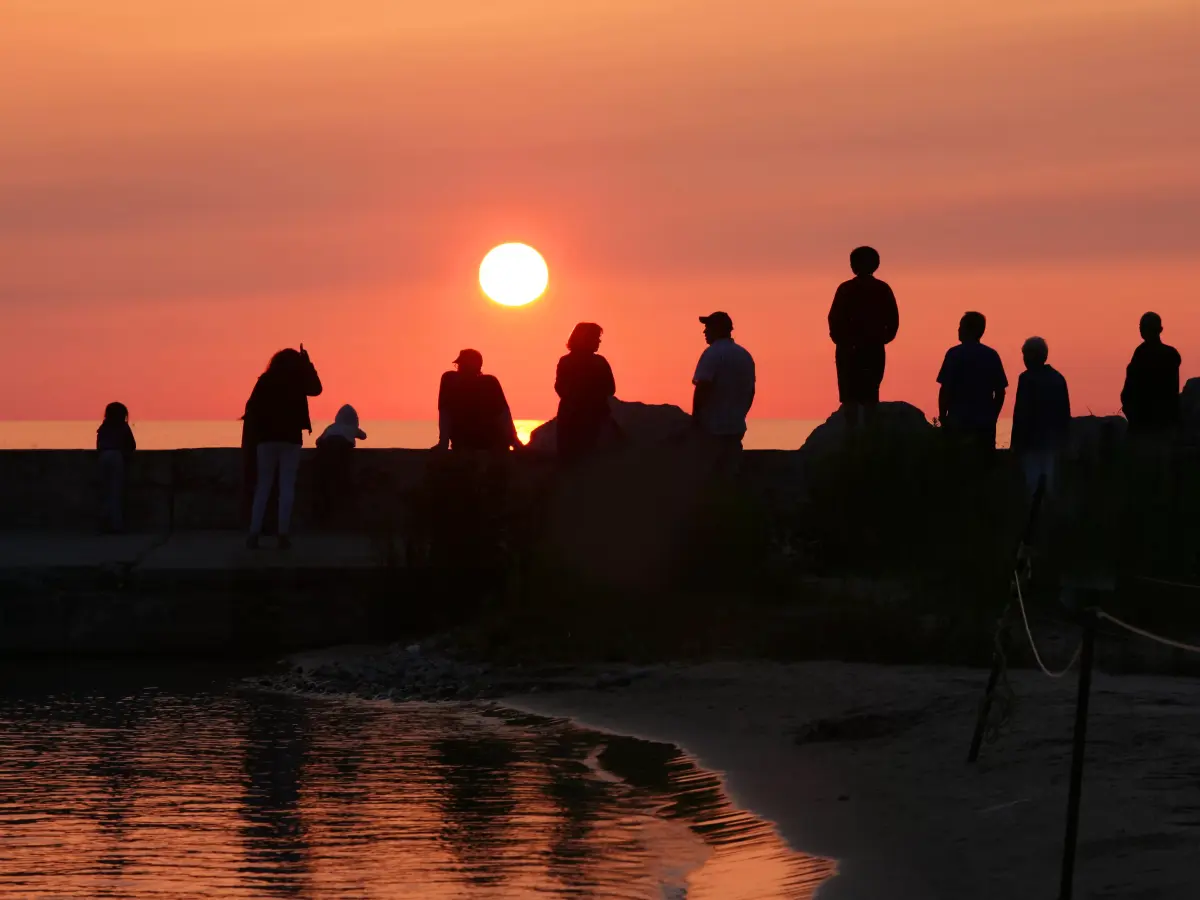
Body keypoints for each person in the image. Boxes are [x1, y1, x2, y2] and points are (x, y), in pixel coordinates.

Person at [243, 345, 323, 549]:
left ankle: (253, 533)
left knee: (263, 486)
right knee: (287, 486)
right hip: (291, 439)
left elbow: (251, 409)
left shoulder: (265, 380)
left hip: (266, 440)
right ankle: (282, 534)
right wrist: (308, 364)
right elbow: (316, 389)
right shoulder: (298, 382)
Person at [827, 246, 899, 428]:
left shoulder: (846, 289)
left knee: (850, 397)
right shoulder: (882, 289)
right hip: (872, 349)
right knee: (870, 396)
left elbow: (834, 319)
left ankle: (853, 439)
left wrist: (843, 341)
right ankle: (869, 438)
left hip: (850, 350)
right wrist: (880, 339)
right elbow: (893, 321)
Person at [692, 311, 756, 471]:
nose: (704, 331)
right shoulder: (744, 355)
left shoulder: (712, 353)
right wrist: (740, 414)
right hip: (736, 428)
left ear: (718, 329)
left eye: (708, 327)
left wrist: (695, 420)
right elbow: (750, 392)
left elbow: (702, 388)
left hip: (712, 429)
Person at [937, 311, 1008, 453]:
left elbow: (945, 390)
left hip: (958, 422)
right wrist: (993, 416)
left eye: (960, 326)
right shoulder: (991, 355)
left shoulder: (954, 354)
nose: (958, 330)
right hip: (984, 424)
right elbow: (1000, 392)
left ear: (969, 329)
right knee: (983, 468)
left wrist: (943, 417)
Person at [1010, 337, 1071, 496]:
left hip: (1031, 442)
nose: (1024, 359)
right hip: (1053, 441)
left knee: (1032, 485)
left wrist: (1015, 443)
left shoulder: (1026, 379)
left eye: (1025, 354)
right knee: (1048, 485)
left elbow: (1021, 413)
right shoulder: (1058, 378)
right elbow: (1065, 413)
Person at [554, 323, 616, 462]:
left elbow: (560, 388)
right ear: (585, 338)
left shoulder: (566, 361)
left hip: (572, 418)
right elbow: (610, 389)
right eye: (595, 337)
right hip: (585, 420)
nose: (599, 341)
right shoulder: (599, 362)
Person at [436, 350, 520, 451]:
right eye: (460, 365)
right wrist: (443, 442)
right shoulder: (450, 380)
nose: (460, 368)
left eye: (464, 365)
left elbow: (503, 415)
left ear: (477, 366)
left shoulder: (489, 383)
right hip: (465, 444)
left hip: (491, 444)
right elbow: (445, 413)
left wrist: (515, 442)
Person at [1121, 312, 1181, 437]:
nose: (1142, 330)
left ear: (1159, 330)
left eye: (1146, 327)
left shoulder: (1167, 355)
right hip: (1150, 420)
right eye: (1141, 327)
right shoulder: (1143, 353)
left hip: (1151, 421)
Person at [313, 405, 367, 526]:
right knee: (342, 482)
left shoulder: (331, 427)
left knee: (324, 484)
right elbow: (364, 436)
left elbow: (318, 441)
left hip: (326, 451)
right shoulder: (352, 428)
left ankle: (322, 516)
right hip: (341, 451)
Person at [96, 402, 136, 532]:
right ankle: (116, 525)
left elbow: (98, 444)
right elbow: (132, 445)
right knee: (116, 491)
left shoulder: (103, 427)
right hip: (116, 456)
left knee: (104, 491)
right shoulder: (123, 427)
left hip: (103, 457)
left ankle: (102, 523)